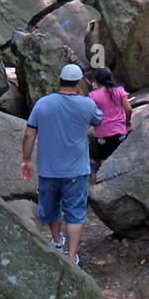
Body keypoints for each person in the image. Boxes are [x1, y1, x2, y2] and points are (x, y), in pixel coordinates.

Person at [20, 63, 102, 267]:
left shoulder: (42, 103)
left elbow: (29, 133)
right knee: (75, 212)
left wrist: (26, 160)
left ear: (58, 80)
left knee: (51, 208)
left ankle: (57, 241)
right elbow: (98, 120)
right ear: (79, 83)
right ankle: (72, 256)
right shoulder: (86, 104)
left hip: (49, 170)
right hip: (76, 171)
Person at [87, 66, 132, 180]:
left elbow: (90, 114)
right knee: (121, 155)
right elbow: (128, 109)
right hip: (119, 131)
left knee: (104, 158)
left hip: (102, 134)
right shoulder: (119, 90)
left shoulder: (93, 95)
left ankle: (107, 180)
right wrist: (127, 122)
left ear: (96, 80)